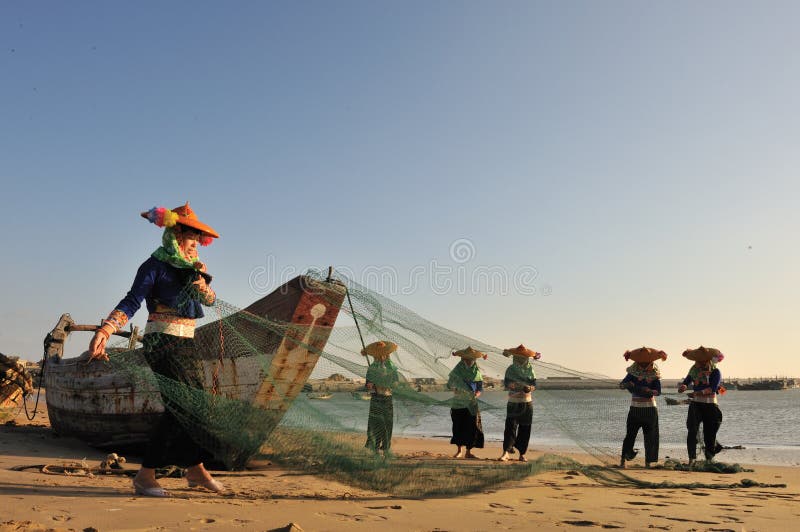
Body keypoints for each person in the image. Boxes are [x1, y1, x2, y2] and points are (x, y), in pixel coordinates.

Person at [88, 203, 224, 497]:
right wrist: (106, 329)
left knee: (196, 406)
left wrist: (204, 286)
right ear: (175, 234)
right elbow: (132, 301)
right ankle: (146, 475)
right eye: (190, 239)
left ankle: (195, 470)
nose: (195, 245)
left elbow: (211, 301)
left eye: (198, 241)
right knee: (180, 408)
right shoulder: (154, 266)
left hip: (187, 341)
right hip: (162, 342)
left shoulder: (192, 270)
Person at [618, 347, 666, 468]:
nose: (644, 365)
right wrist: (626, 385)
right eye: (642, 363)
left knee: (651, 436)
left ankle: (648, 463)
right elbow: (622, 385)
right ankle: (624, 460)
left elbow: (658, 391)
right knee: (630, 435)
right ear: (637, 362)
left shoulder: (654, 373)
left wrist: (650, 390)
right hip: (635, 409)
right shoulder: (632, 372)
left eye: (647, 363)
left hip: (650, 409)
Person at [678, 346, 725, 464]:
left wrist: (697, 393)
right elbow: (687, 380)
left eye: (701, 361)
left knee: (709, 433)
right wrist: (683, 386)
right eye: (697, 361)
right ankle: (691, 458)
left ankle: (709, 458)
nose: (698, 363)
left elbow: (713, 388)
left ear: (707, 361)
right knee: (692, 431)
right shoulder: (694, 370)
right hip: (695, 406)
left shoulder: (715, 372)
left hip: (710, 406)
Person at [498, 344, 540, 463]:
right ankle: (506, 452)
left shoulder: (530, 369)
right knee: (510, 427)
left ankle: (522, 453)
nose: (520, 360)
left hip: (527, 402)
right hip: (513, 402)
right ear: (514, 358)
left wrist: (529, 388)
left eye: (523, 358)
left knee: (525, 428)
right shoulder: (510, 369)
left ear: (527, 358)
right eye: (518, 357)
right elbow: (506, 383)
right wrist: (513, 385)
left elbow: (534, 385)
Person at [362, 340, 400, 456]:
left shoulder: (392, 368)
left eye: (384, 354)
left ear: (388, 354)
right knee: (375, 423)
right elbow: (368, 384)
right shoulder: (372, 368)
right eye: (380, 354)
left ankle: (386, 448)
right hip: (376, 398)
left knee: (387, 424)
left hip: (387, 398)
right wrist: (370, 386)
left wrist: (388, 383)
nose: (382, 356)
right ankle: (375, 448)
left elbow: (396, 383)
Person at [447, 346, 487, 459]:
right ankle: (459, 450)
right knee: (458, 425)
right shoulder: (457, 370)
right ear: (463, 359)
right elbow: (449, 384)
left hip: (471, 403)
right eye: (467, 359)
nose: (469, 361)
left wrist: (476, 394)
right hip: (458, 403)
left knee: (472, 426)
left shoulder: (476, 371)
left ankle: (468, 452)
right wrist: (455, 389)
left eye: (472, 359)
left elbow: (480, 388)